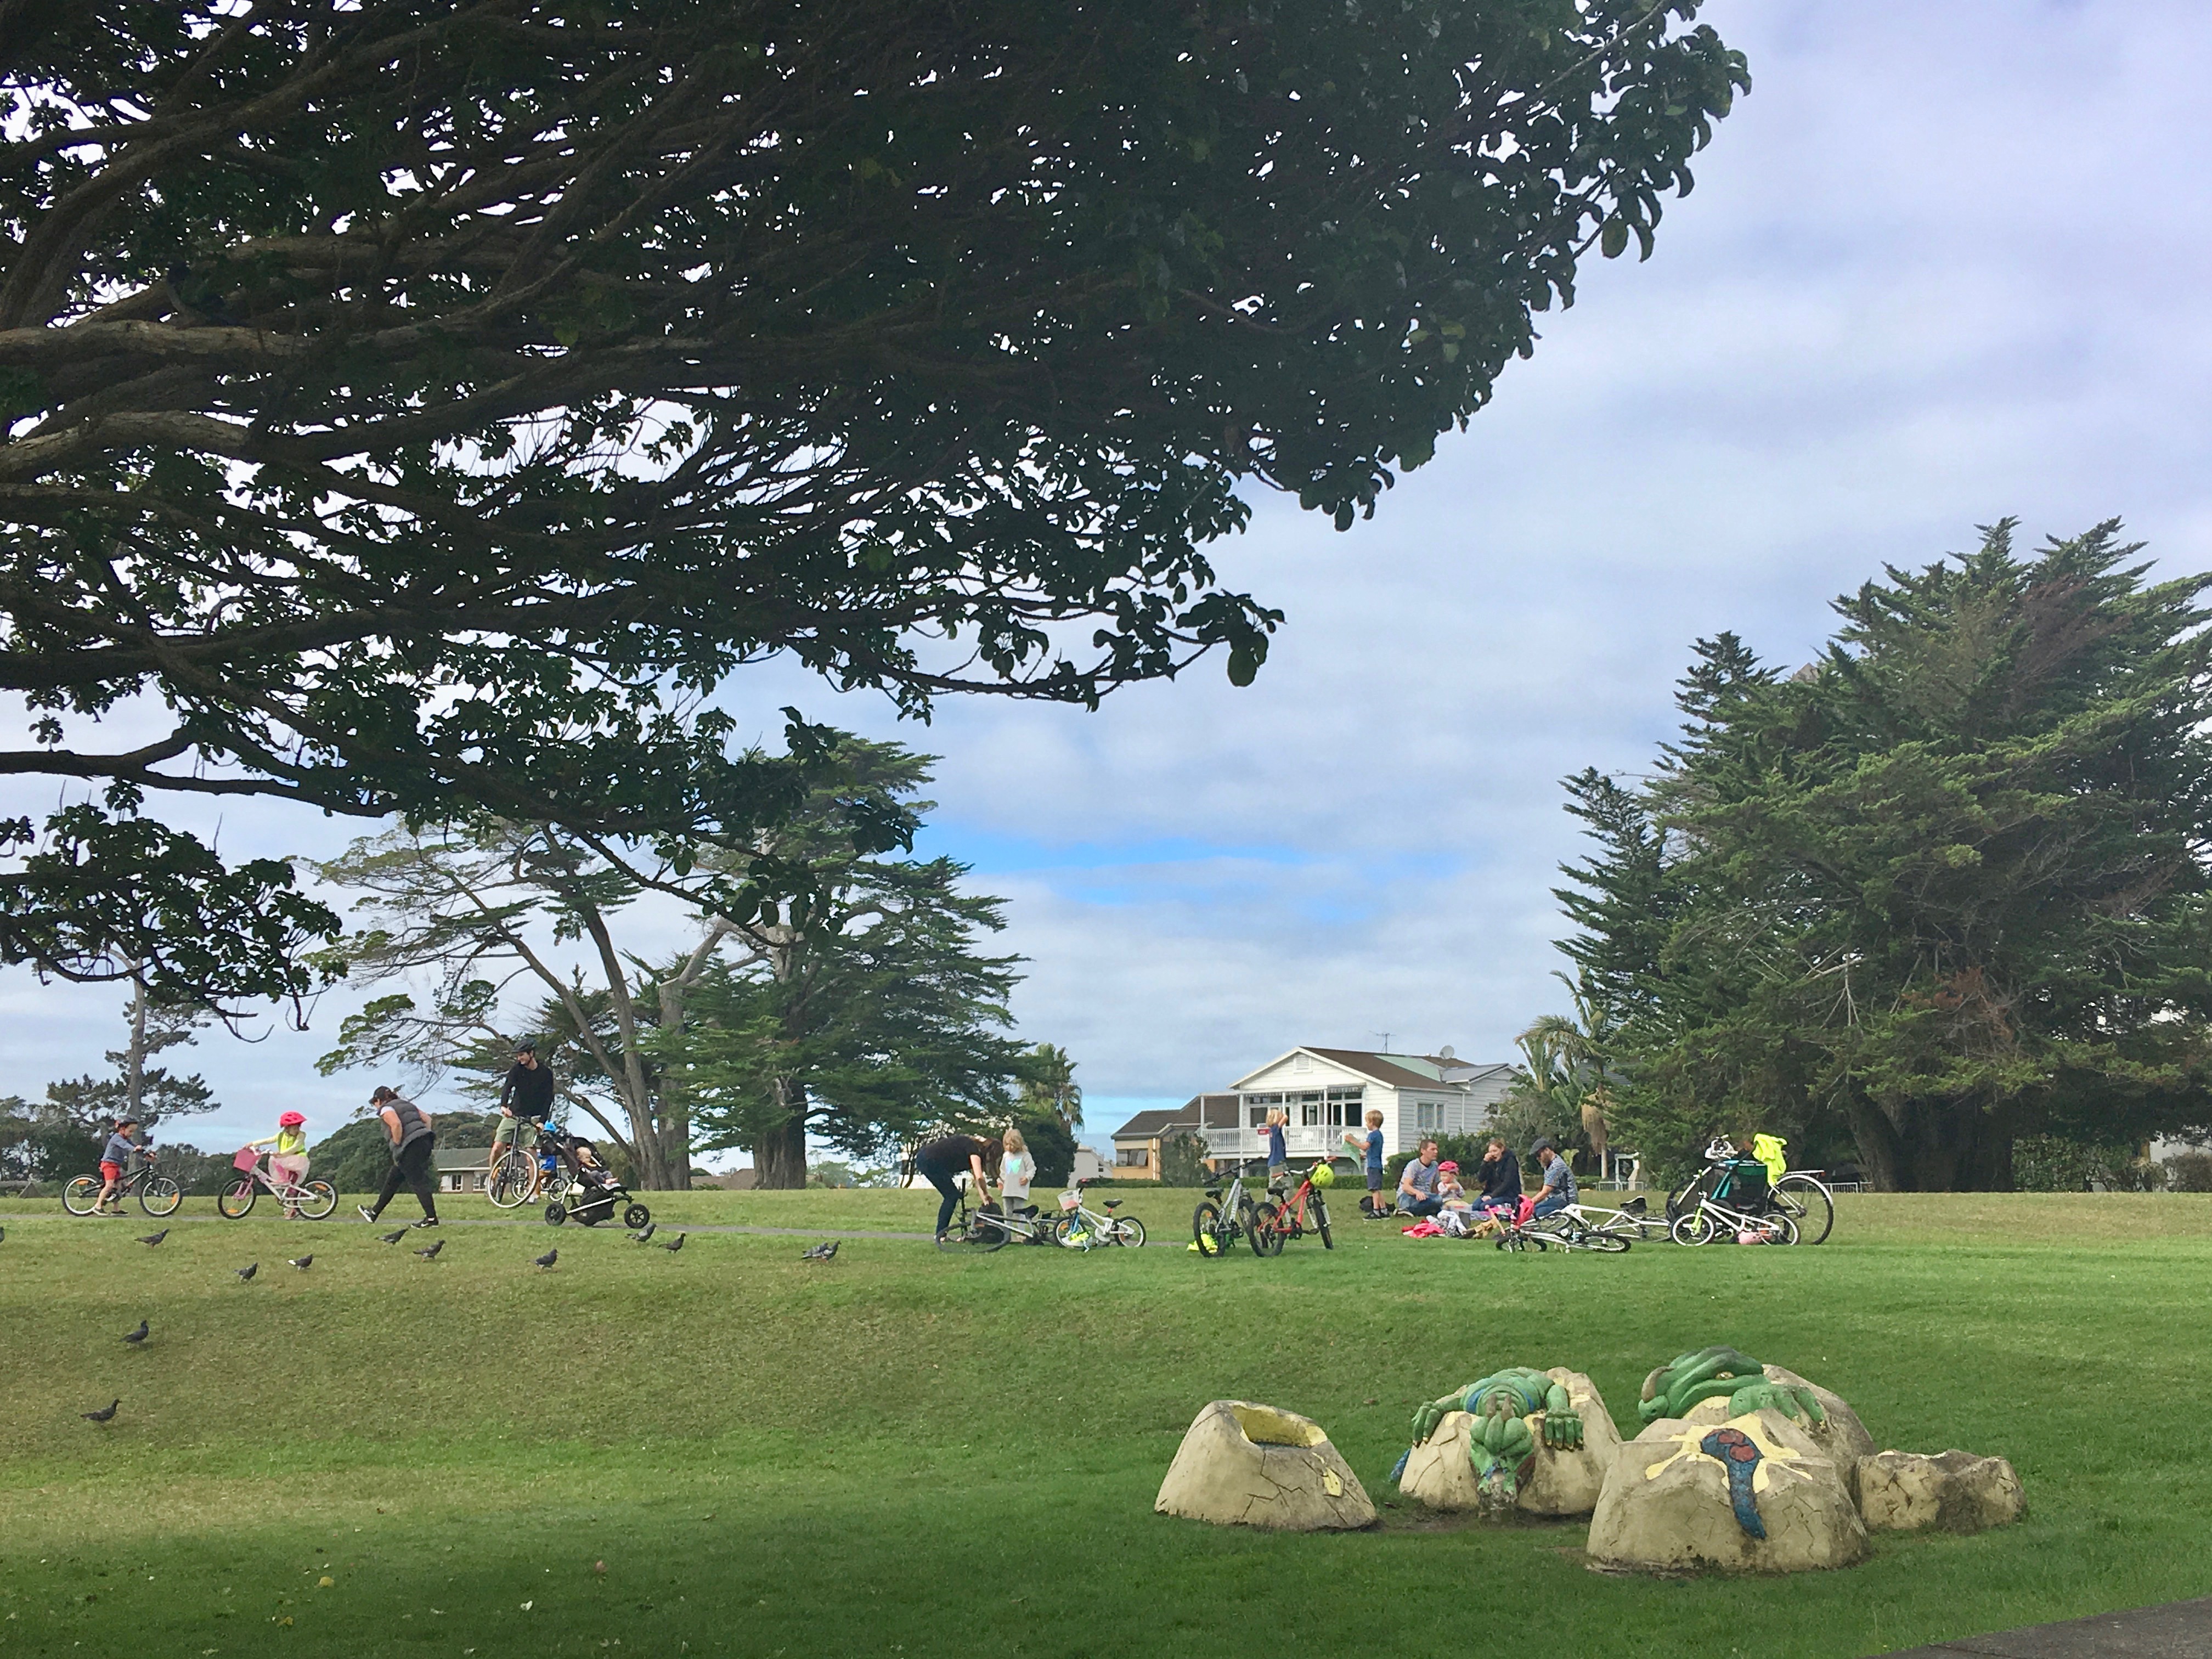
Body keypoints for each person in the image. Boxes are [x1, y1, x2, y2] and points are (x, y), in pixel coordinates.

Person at [358, 1085, 441, 1227]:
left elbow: (396, 1124)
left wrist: (397, 1143)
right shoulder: (408, 1104)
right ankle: (374, 1213)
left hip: (410, 1146)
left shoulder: (386, 1109)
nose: (375, 1106)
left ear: (379, 1100)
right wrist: (423, 1134)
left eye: (374, 1102)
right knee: (394, 1179)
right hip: (426, 1141)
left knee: (417, 1181)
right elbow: (427, 1119)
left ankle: (432, 1219)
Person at [493, 1039, 557, 1193]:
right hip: (514, 1115)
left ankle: (533, 1192)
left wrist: (542, 1121)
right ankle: (493, 1180)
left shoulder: (545, 1073)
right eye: (518, 1056)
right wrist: (504, 1105)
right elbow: (507, 1087)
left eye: (522, 1055)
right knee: (497, 1147)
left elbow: (548, 1099)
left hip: (533, 1117)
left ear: (531, 1054)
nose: (519, 1059)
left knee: (531, 1155)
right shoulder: (516, 1070)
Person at [914, 1131, 1003, 1241]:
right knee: (952, 1196)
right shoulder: (973, 1150)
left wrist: (985, 1198)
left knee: (952, 1195)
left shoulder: (970, 1146)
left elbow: (977, 1178)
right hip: (929, 1160)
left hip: (925, 1158)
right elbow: (980, 1177)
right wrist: (985, 1194)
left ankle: (941, 1234)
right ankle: (940, 1234)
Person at [247, 1110, 312, 1218]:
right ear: (286, 1128)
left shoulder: (301, 1135)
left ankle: (293, 1206)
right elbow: (268, 1140)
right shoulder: (281, 1135)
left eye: (298, 1127)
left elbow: (295, 1147)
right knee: (287, 1186)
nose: (297, 1130)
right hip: (285, 1160)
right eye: (294, 1128)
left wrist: (281, 1154)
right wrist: (253, 1144)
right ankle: (289, 1206)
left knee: (275, 1161)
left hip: (297, 1159)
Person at [1344, 1108, 1386, 1217]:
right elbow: (1373, 1151)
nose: (1367, 1124)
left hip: (1373, 1166)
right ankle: (1384, 1210)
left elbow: (1365, 1147)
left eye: (1367, 1122)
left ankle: (1376, 1211)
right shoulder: (1379, 1135)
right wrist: (1364, 1156)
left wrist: (1352, 1141)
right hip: (1378, 1165)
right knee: (1378, 1189)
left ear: (1372, 1122)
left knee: (1374, 1190)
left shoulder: (1373, 1135)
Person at [95, 1116, 142, 1215]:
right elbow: (126, 1146)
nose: (132, 1134)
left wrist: (146, 1154)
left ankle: (116, 1210)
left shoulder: (126, 1139)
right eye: (131, 1131)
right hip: (109, 1164)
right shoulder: (117, 1138)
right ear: (122, 1129)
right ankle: (98, 1206)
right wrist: (134, 1149)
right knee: (109, 1185)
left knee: (118, 1187)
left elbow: (133, 1146)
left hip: (116, 1165)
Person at [1529, 1137, 1578, 1219]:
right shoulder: (1549, 1165)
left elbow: (1545, 1192)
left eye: (1539, 1155)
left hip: (1565, 1201)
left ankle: (1572, 1213)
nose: (1538, 1159)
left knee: (1536, 1214)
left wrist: (1528, 1204)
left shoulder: (1557, 1166)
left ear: (1547, 1150)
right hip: (1554, 1200)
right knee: (1533, 1210)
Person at [1396, 1139, 1445, 1217]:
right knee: (1435, 1204)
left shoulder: (1435, 1166)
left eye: (1436, 1150)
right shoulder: (1414, 1165)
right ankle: (1407, 1209)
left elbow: (1434, 1187)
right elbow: (1406, 1187)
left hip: (1425, 1196)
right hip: (1409, 1195)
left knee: (1439, 1200)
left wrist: (1437, 1198)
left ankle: (1409, 1211)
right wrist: (1417, 1193)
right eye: (1432, 1149)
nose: (1436, 1152)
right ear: (1423, 1151)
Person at [1475, 1138, 1522, 1218]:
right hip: (1491, 1193)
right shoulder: (1491, 1162)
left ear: (1502, 1150)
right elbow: (1481, 1179)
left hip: (1508, 1195)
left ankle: (1505, 1211)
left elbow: (1507, 1183)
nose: (1493, 1154)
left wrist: (1492, 1196)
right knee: (1475, 1206)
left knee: (1484, 1207)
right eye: (1490, 1152)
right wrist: (1485, 1163)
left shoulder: (1510, 1161)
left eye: (1495, 1151)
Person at [998, 1126, 1036, 1221]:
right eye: (1007, 1145)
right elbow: (1002, 1170)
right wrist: (1000, 1181)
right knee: (1008, 1213)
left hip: (1019, 1190)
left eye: (1012, 1145)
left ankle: (1022, 1233)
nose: (1009, 1148)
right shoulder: (1006, 1156)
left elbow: (1032, 1169)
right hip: (1007, 1190)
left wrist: (1027, 1177)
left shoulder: (1025, 1156)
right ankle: (1008, 1233)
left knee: (1020, 1212)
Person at [1263, 1108, 1289, 1192]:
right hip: (1278, 1162)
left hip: (1272, 1162)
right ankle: (1287, 1204)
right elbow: (1286, 1117)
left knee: (1272, 1186)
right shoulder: (1275, 1129)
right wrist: (1280, 1115)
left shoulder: (1272, 1131)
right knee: (1289, 1184)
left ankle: (1267, 1204)